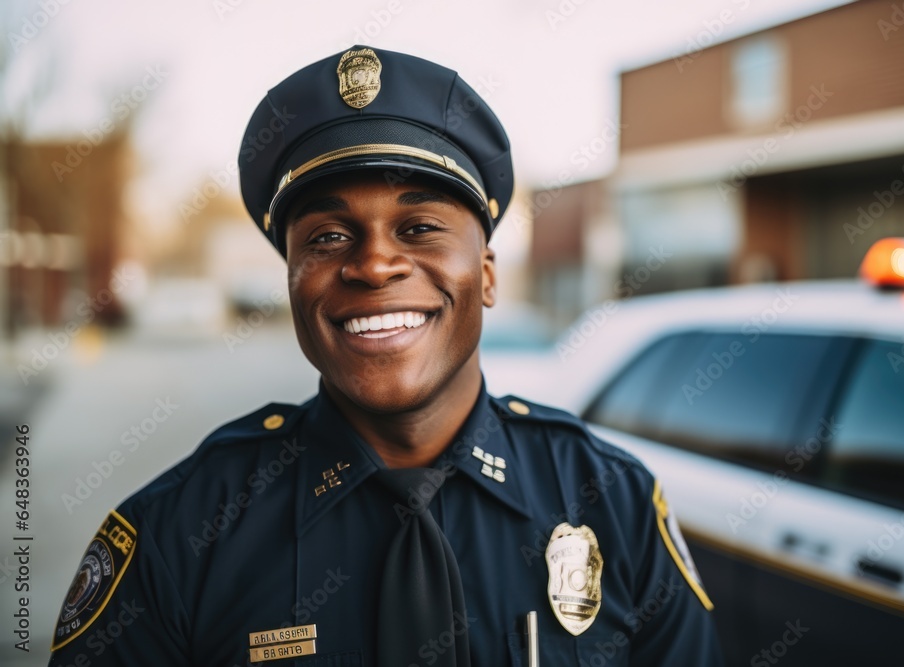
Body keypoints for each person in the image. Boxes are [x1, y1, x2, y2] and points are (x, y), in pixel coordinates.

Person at [48, 45, 723, 666]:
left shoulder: (614, 501)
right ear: (291, 281)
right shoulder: (178, 533)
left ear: (487, 274)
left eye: (420, 227)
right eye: (329, 235)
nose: (373, 263)